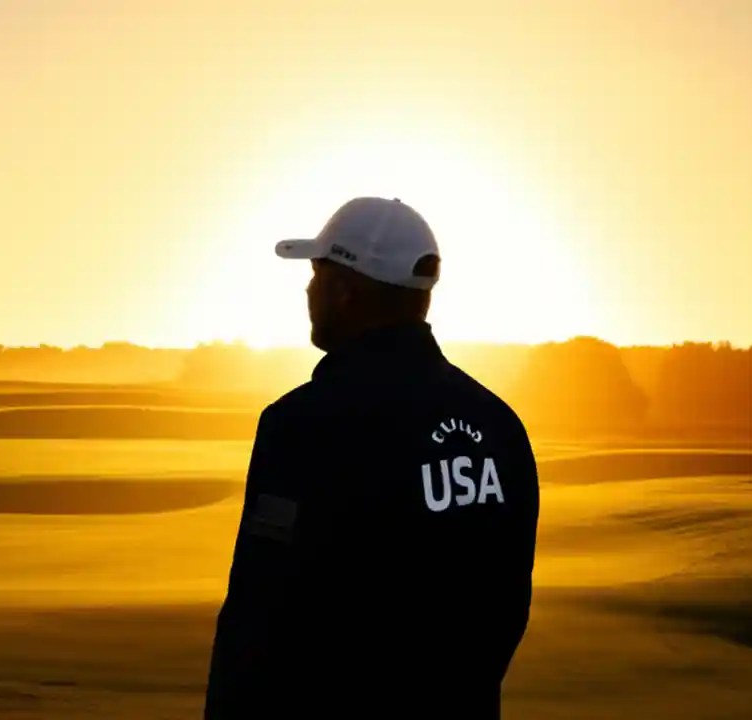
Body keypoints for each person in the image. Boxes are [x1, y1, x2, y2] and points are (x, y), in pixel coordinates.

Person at [203, 197, 540, 719]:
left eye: (317, 274)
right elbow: (505, 607)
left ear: (343, 291)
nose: (308, 289)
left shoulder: (303, 424)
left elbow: (262, 614)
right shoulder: (498, 426)